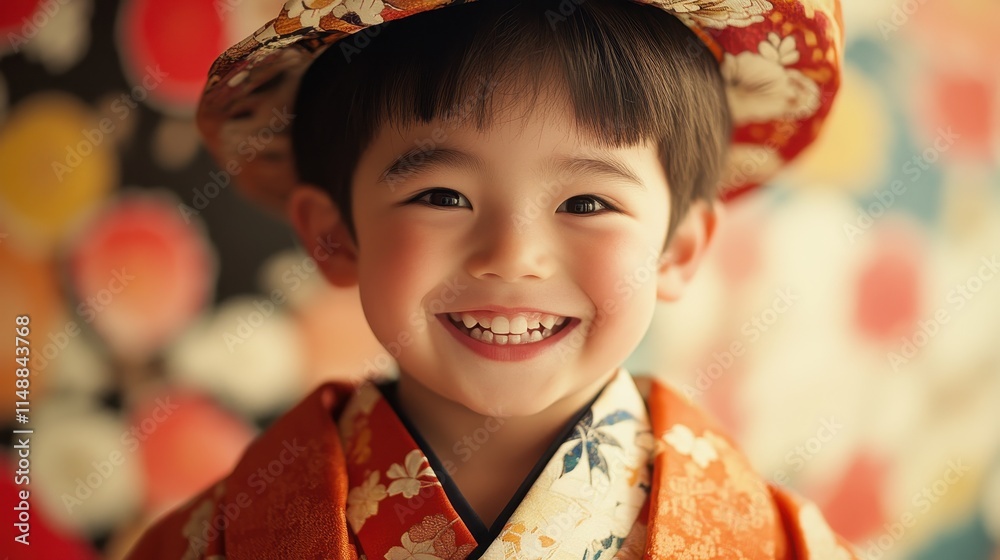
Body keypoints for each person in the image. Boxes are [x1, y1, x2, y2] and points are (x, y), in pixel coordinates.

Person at [128, 0, 853, 557]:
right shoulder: (210, 542)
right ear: (334, 235)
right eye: (441, 196)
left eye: (588, 202)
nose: (513, 255)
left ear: (679, 251)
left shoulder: (783, 544)